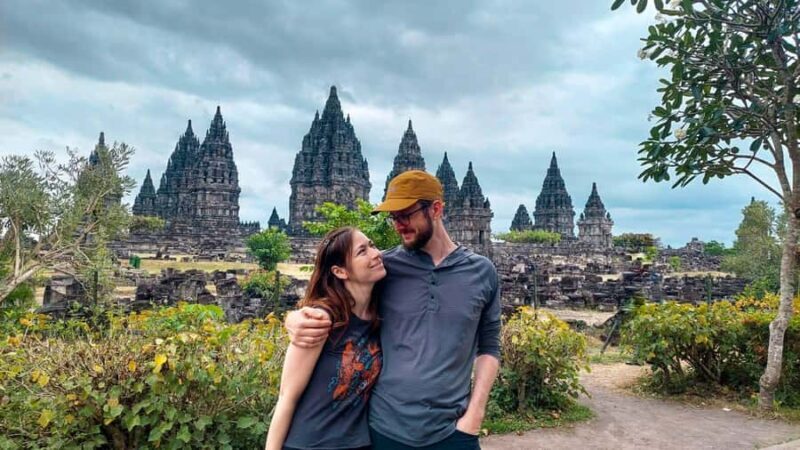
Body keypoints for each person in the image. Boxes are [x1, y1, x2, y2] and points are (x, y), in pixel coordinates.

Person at [287, 170, 501, 450]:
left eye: (405, 215)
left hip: (453, 431)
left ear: (436, 209)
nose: (398, 225)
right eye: (393, 217)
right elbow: (333, 298)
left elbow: (489, 345)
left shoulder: (482, 272)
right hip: (383, 429)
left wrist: (475, 415)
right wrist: (294, 318)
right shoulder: (384, 268)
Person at [266, 227, 386, 450]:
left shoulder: (380, 315)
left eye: (373, 245)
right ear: (340, 271)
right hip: (309, 444)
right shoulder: (319, 320)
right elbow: (287, 397)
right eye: (362, 251)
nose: (375, 253)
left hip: (359, 444)